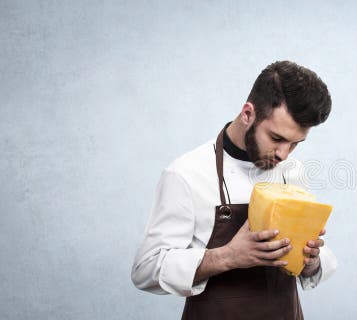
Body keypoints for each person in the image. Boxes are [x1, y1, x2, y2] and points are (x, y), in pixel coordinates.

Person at [131, 61, 337, 320]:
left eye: (296, 144)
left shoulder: (292, 172)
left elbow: (316, 261)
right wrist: (227, 256)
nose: (284, 155)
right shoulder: (186, 174)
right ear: (248, 113)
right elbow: (145, 269)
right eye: (276, 138)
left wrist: (311, 261)